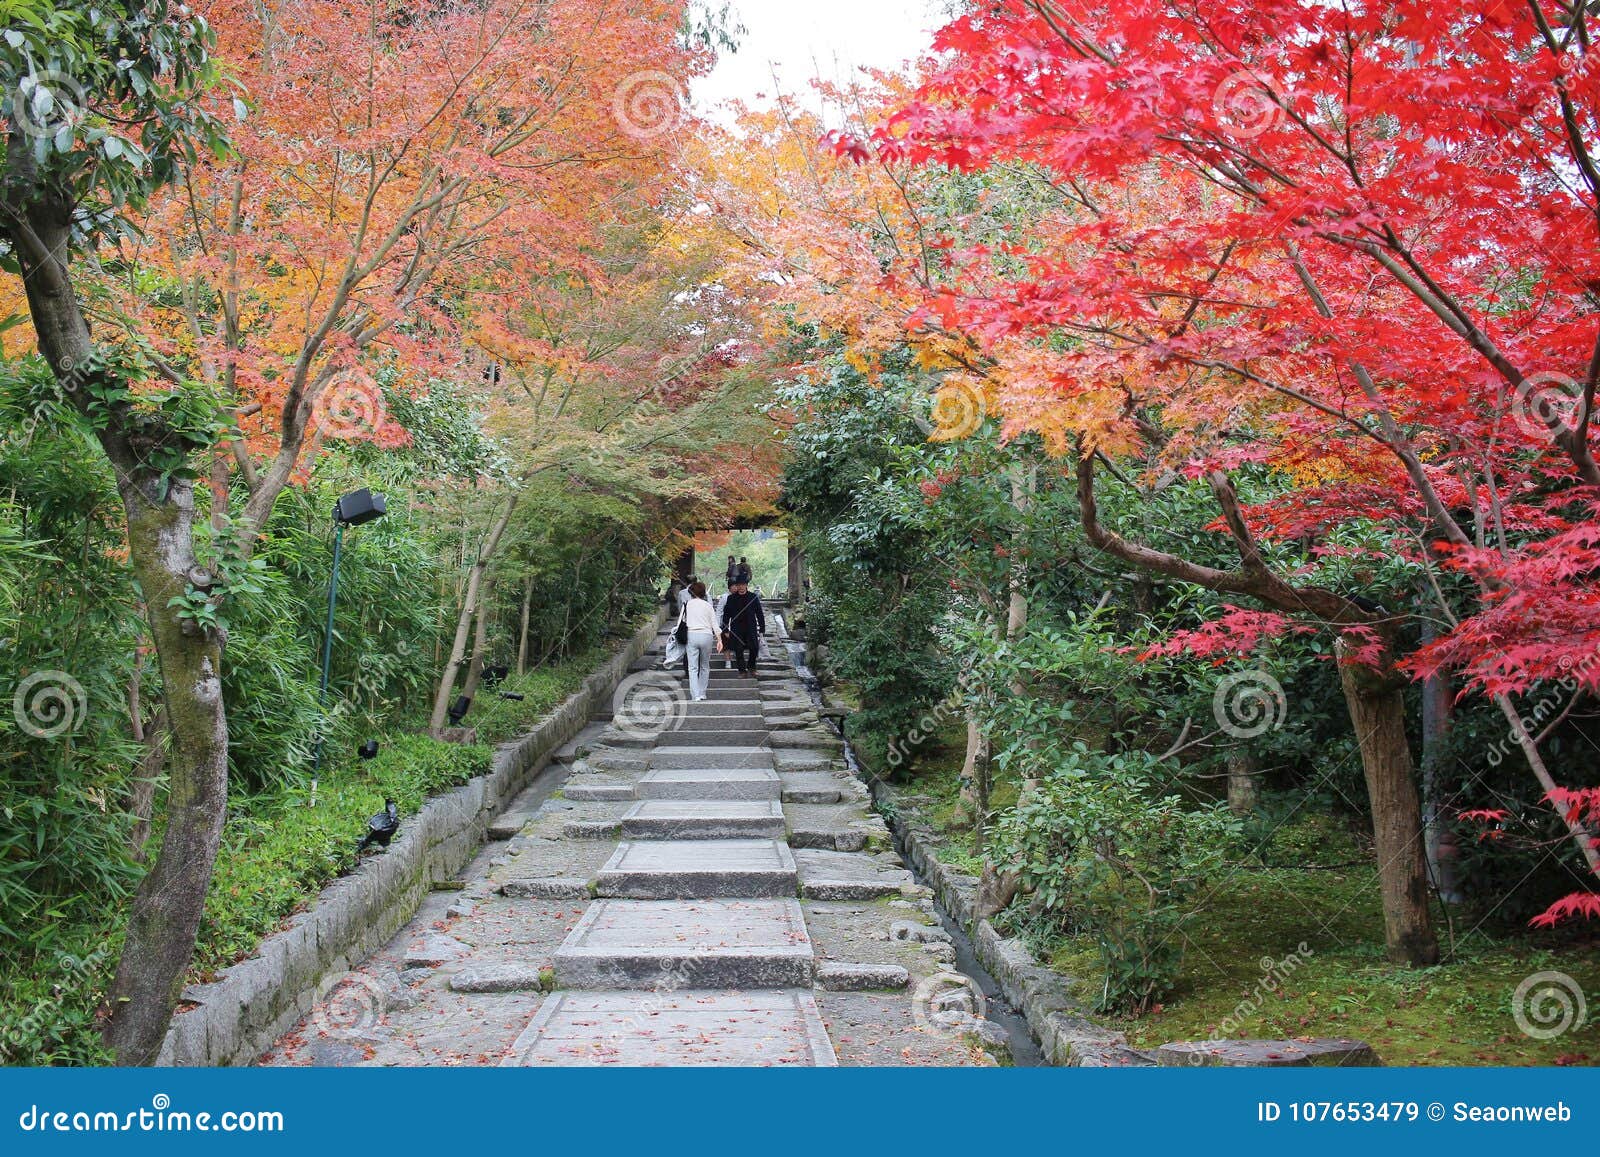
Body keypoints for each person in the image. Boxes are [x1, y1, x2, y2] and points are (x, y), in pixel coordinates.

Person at [682, 580, 720, 701]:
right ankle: (703, 692)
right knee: (705, 666)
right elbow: (715, 624)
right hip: (706, 635)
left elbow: (682, 622)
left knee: (692, 667)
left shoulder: (687, 604)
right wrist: (720, 640)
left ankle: (695, 695)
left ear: (691, 592)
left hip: (691, 634)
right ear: (703, 593)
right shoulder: (708, 606)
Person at [720, 577, 766, 677]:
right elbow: (726, 614)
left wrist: (762, 628)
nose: (741, 587)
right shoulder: (731, 598)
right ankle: (742, 671)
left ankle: (751, 667)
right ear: (736, 586)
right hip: (737, 628)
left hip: (751, 627)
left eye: (743, 585)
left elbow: (759, 613)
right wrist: (725, 629)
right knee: (738, 649)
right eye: (739, 585)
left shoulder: (753, 597)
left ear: (746, 585)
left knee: (754, 648)